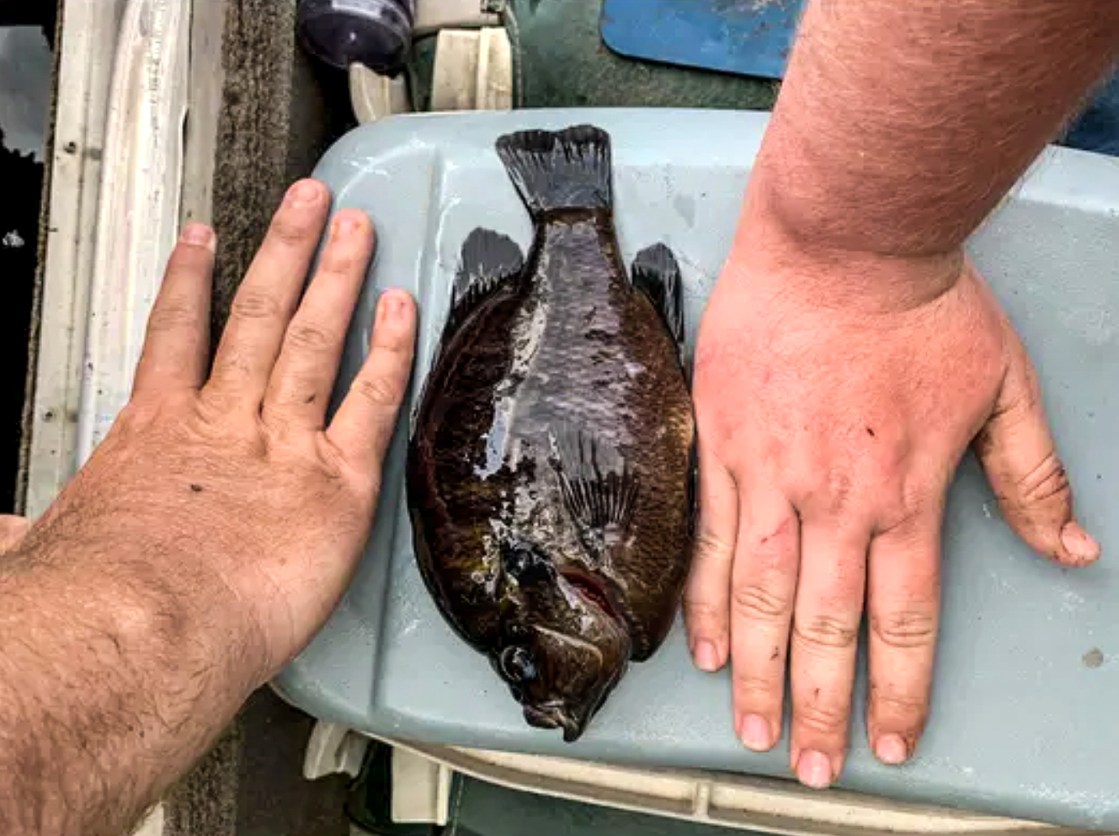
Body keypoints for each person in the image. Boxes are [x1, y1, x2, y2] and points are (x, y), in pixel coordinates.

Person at [1, 1, 1117, 832]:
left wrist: (861, 252)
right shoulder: (594, 608)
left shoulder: (538, 601)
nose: (547, 691)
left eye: (525, 675)